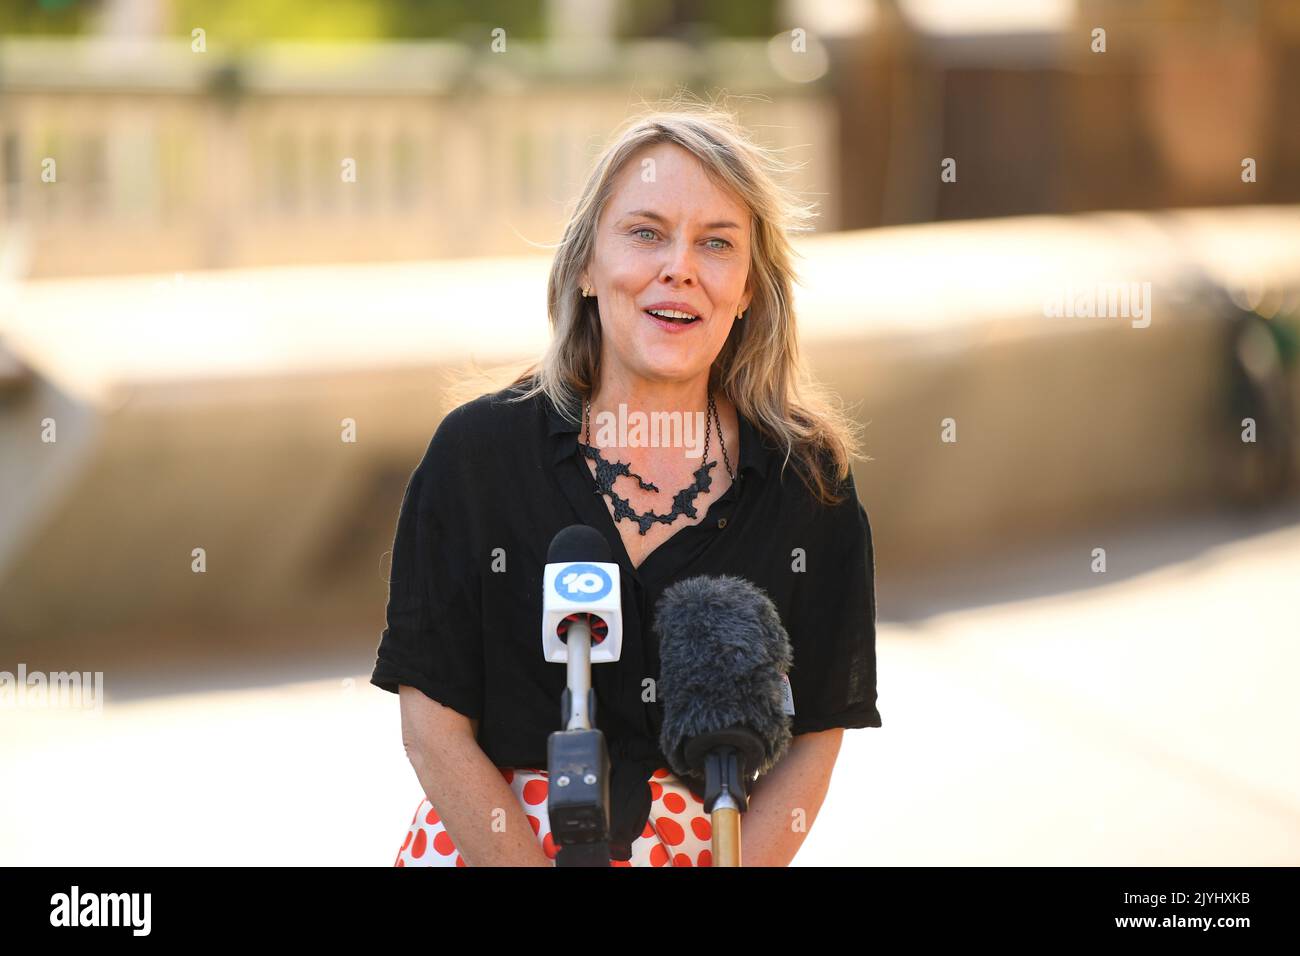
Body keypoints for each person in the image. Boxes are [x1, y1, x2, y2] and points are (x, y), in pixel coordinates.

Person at [371, 103, 882, 867]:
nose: (679, 266)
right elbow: (432, 727)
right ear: (584, 265)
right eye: (645, 232)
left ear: (747, 288)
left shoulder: (807, 486)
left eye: (716, 244)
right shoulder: (476, 457)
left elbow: (815, 740)